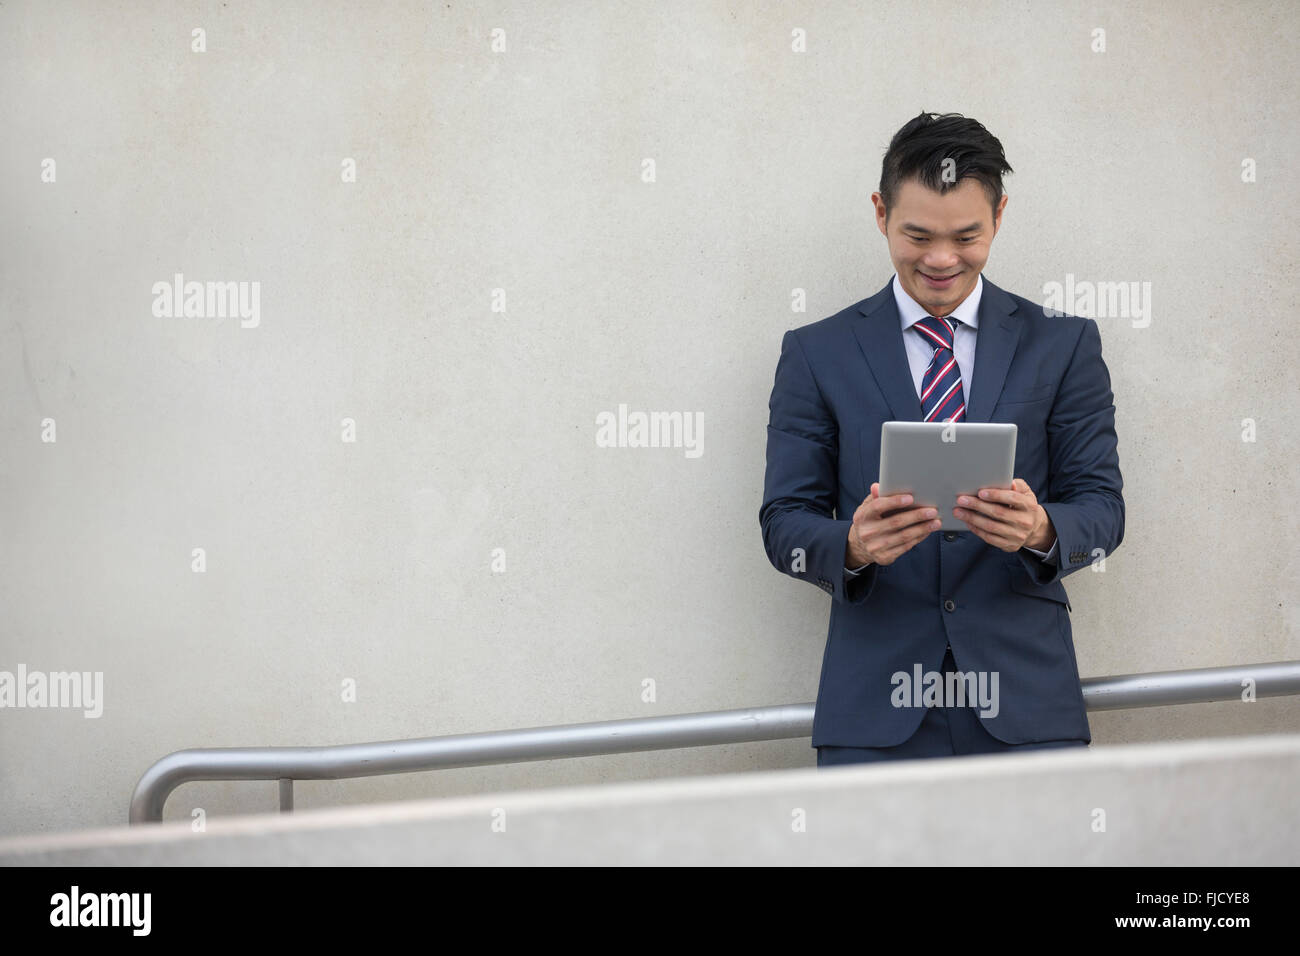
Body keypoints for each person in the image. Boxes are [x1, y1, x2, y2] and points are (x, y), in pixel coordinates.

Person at [759, 112, 1124, 766]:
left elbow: (1102, 509)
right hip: (875, 709)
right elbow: (784, 522)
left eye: (966, 236)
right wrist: (852, 544)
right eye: (918, 234)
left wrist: (1041, 530)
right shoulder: (817, 353)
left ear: (1000, 216)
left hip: (1026, 702)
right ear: (880, 212)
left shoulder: (1063, 345)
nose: (941, 260)